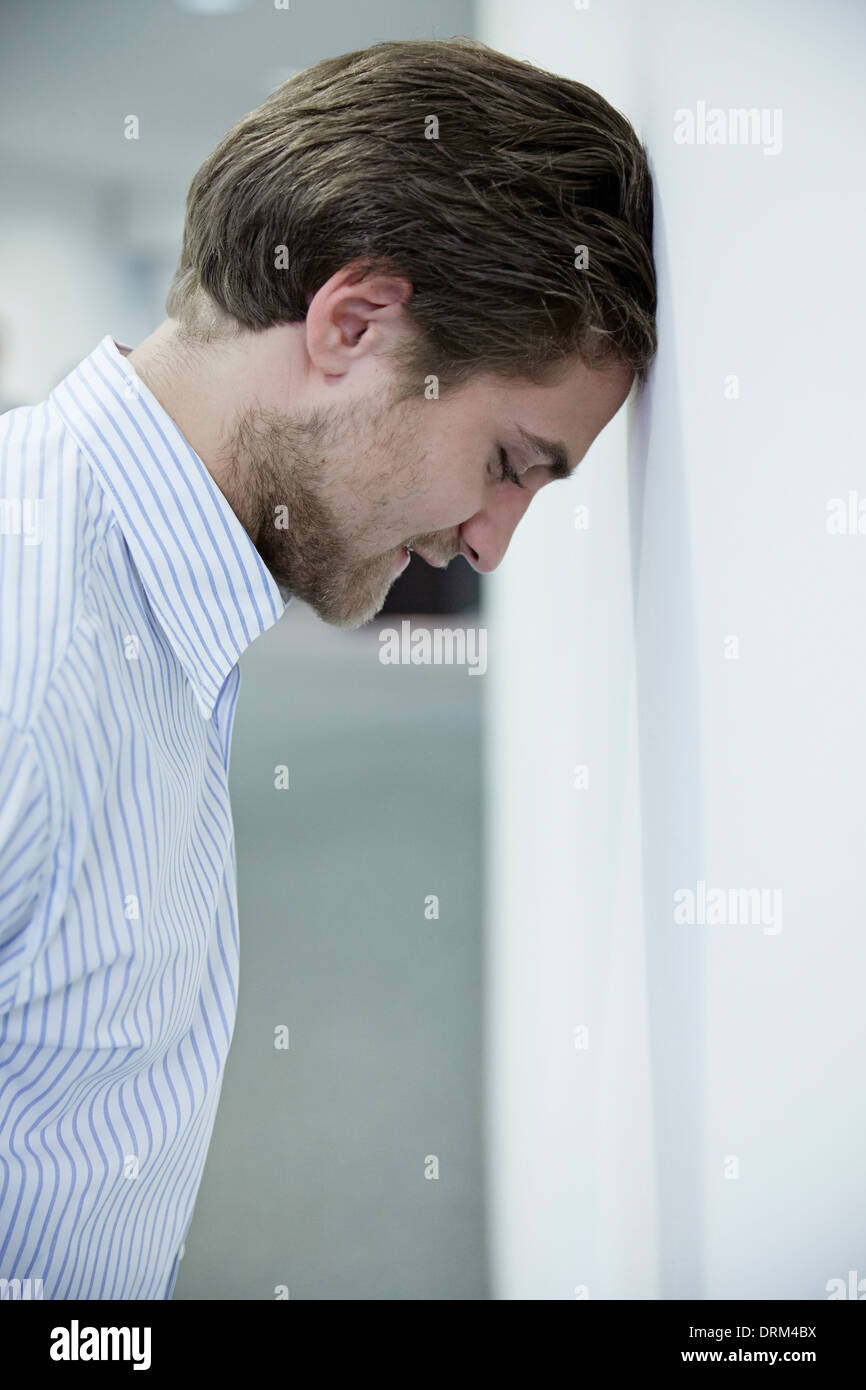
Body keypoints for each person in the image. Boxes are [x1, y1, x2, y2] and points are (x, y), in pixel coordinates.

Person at [0, 36, 656, 1299]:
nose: (490, 542)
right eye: (512, 463)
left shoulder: (154, 608)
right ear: (352, 323)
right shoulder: (30, 646)